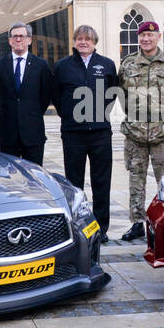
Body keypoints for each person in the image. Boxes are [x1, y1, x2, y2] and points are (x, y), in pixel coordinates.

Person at [119, 20, 164, 243]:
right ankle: (137, 223)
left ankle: (163, 223)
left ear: (159, 37)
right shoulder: (128, 64)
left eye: (150, 35)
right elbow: (122, 96)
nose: (146, 39)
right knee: (135, 179)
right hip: (135, 133)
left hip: (163, 135)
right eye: (142, 36)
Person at [54, 25, 117, 237]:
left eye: (87, 39)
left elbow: (111, 93)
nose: (83, 42)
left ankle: (101, 228)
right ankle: (77, 226)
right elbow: (56, 96)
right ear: (74, 41)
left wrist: (97, 114)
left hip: (100, 133)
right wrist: (70, 115)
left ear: (94, 42)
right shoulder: (63, 66)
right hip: (73, 133)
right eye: (79, 39)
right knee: (73, 182)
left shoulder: (106, 64)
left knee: (101, 181)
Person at [0, 22, 55, 165]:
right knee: (8, 178)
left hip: (33, 133)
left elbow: (45, 96)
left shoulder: (41, 65)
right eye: (15, 36)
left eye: (22, 36)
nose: (18, 40)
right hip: (7, 133)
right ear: (9, 41)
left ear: (29, 40)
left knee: (34, 178)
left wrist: (30, 113)